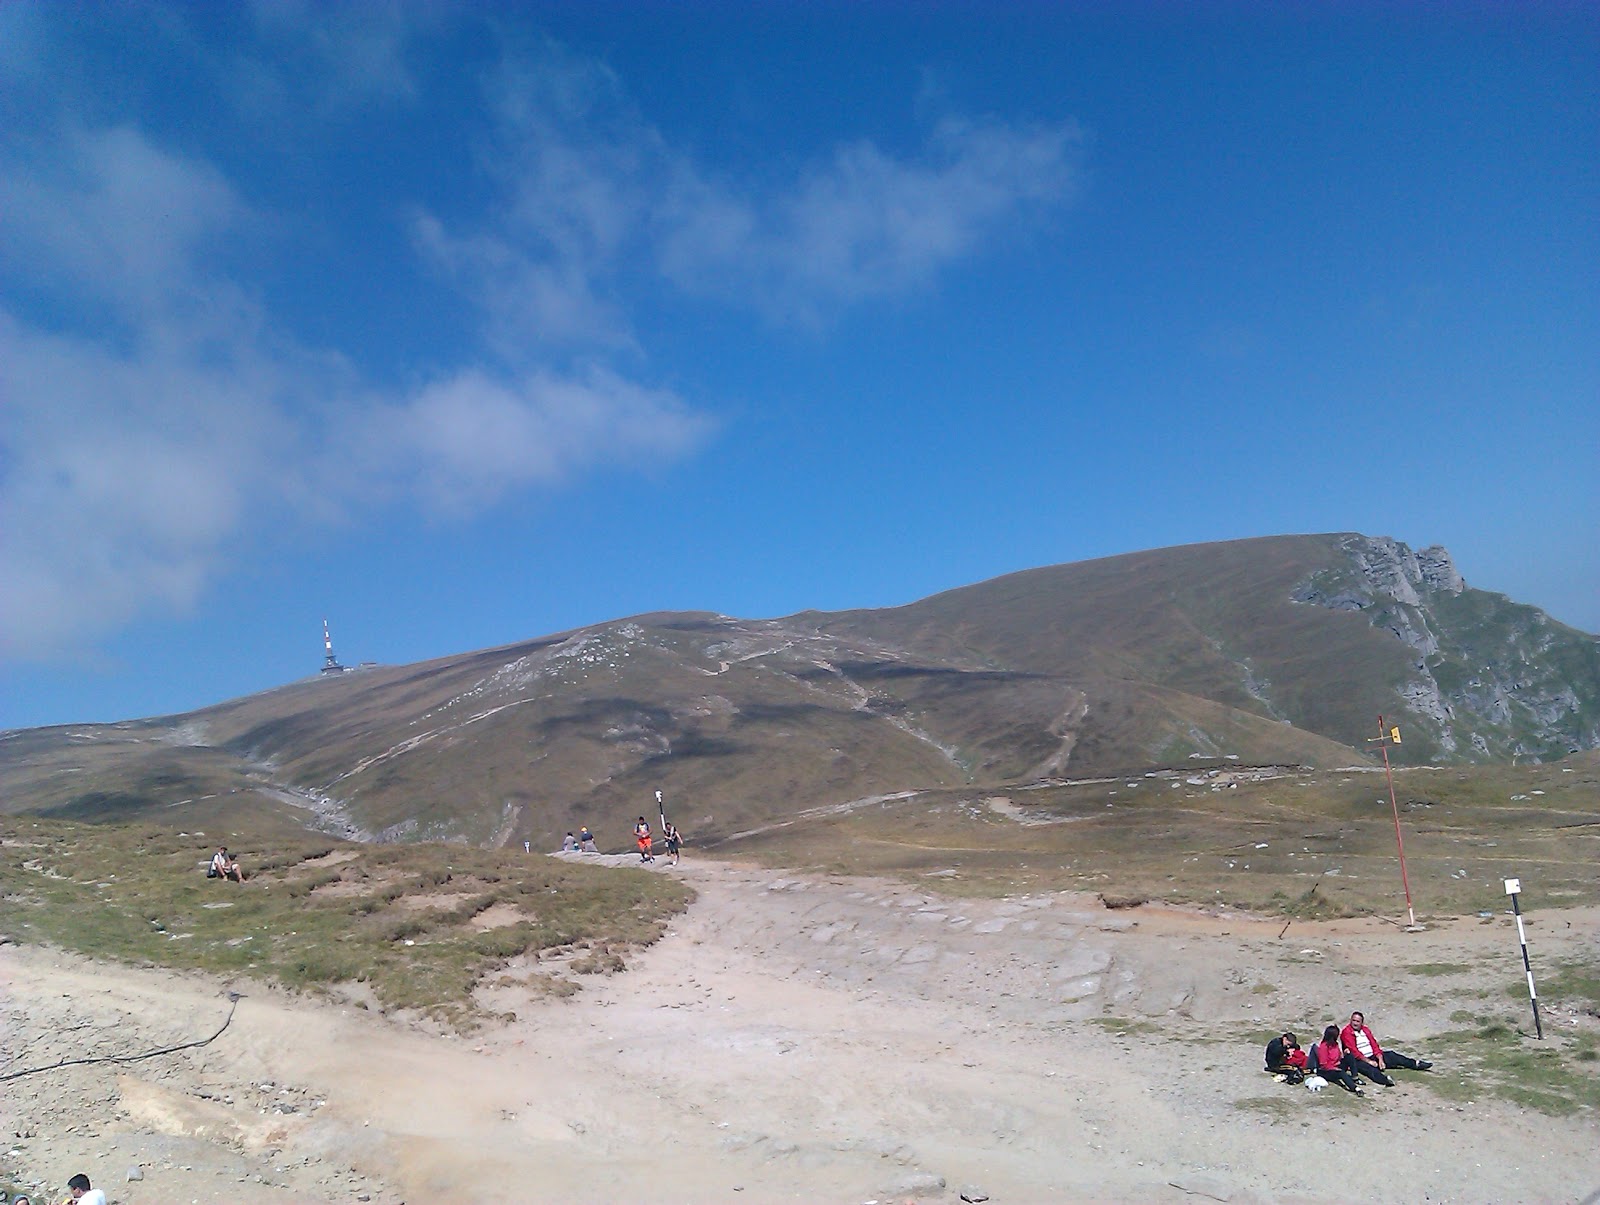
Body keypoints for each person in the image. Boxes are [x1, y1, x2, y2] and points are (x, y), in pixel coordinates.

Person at [1341, 1010, 1432, 1086]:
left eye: (1357, 1021)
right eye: (1353, 1020)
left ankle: (1416, 1064)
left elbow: (1374, 1044)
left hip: (1373, 1055)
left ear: (1361, 1022)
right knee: (1370, 1070)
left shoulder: (1365, 1030)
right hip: (1359, 1059)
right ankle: (1385, 1080)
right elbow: (1354, 1051)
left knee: (1392, 1056)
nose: (1355, 1023)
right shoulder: (1347, 1032)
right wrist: (1368, 1061)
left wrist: (1380, 1058)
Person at [1308, 1025, 1364, 1095]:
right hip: (1326, 1071)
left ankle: (1355, 1077)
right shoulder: (1324, 1046)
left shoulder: (1335, 1044)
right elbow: (1323, 1064)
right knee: (1341, 1073)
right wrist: (1335, 1068)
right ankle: (1355, 1088)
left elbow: (1339, 1057)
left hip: (1336, 1065)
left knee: (1350, 1056)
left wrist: (1345, 1055)